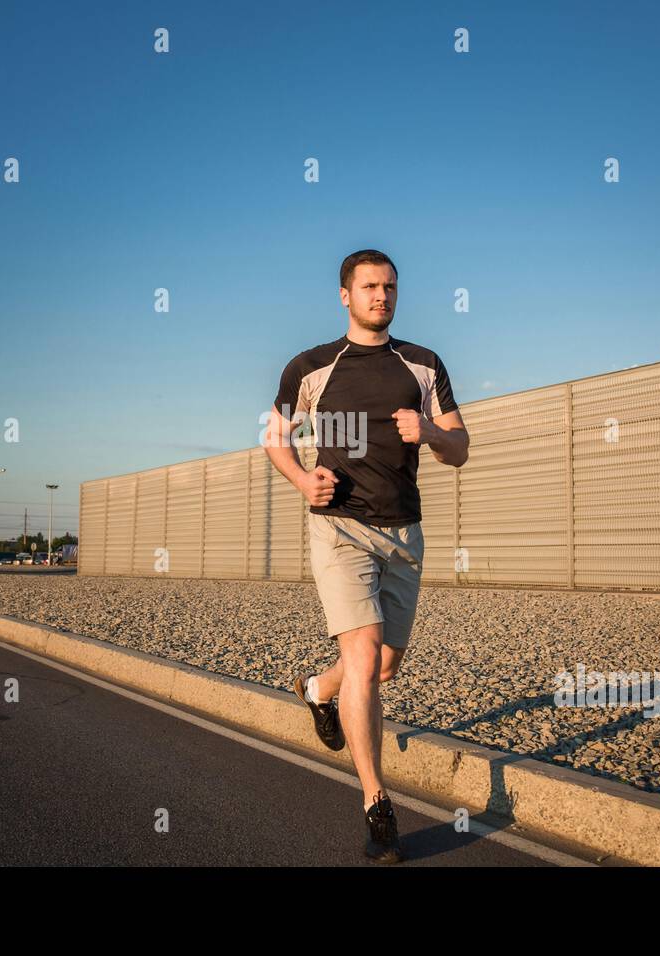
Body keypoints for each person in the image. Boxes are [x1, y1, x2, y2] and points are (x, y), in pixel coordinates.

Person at [264, 249, 469, 863]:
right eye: (370, 287)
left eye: (390, 287)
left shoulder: (424, 364)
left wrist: (430, 433)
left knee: (381, 667)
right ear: (345, 295)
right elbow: (275, 438)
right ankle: (378, 804)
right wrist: (304, 482)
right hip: (340, 529)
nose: (382, 296)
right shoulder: (310, 367)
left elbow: (459, 447)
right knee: (362, 650)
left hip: (405, 532)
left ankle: (316, 691)